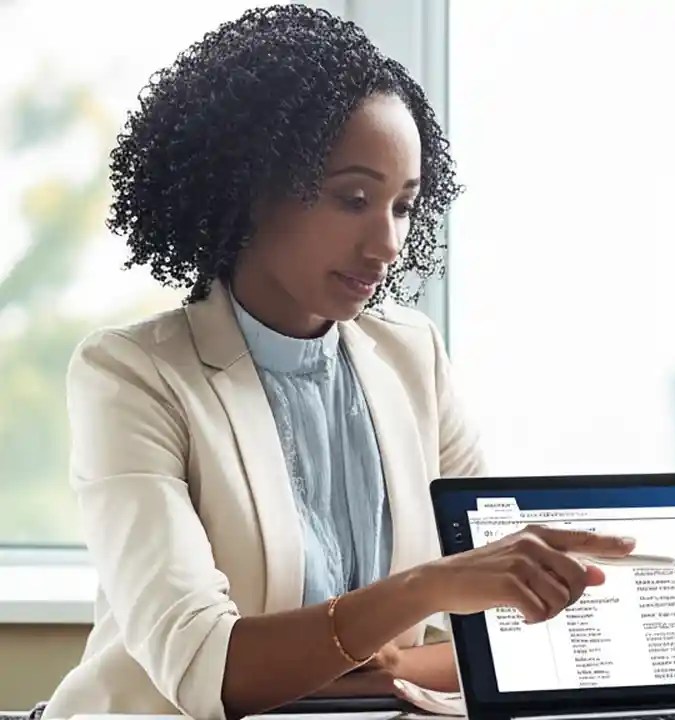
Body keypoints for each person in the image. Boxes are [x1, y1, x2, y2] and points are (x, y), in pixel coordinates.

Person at [42, 6, 635, 720]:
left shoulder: (412, 357)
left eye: (405, 206)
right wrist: (423, 594)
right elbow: (208, 669)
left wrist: (343, 661)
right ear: (249, 189)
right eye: (353, 200)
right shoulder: (132, 376)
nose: (386, 244)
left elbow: (511, 630)